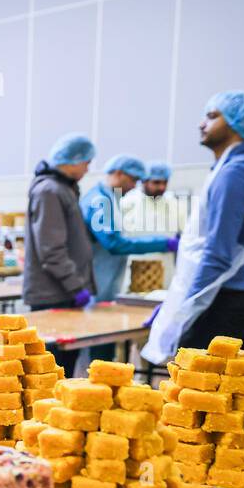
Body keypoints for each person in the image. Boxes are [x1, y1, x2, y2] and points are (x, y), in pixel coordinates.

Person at [144, 91, 244, 363]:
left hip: (223, 300)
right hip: (234, 296)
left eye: (213, 116)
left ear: (237, 124)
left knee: (203, 395)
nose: (202, 123)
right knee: (230, 395)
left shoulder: (234, 174)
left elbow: (218, 254)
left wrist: (186, 307)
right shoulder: (239, 169)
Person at [80, 154, 178, 363]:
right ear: (118, 174)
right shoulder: (100, 201)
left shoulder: (111, 199)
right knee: (98, 353)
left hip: (106, 285)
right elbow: (114, 244)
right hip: (97, 284)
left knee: (104, 352)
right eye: (133, 180)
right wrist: (162, 243)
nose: (134, 186)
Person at [21, 132, 96, 376]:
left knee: (65, 366)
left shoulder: (63, 189)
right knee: (52, 370)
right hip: (53, 294)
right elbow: (51, 249)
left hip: (63, 291)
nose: (87, 168)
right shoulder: (49, 191)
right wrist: (75, 286)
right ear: (73, 160)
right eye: (86, 162)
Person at [121, 160, 186, 237]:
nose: (162, 187)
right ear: (144, 181)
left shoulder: (174, 204)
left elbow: (184, 233)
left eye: (165, 182)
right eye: (156, 182)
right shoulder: (127, 202)